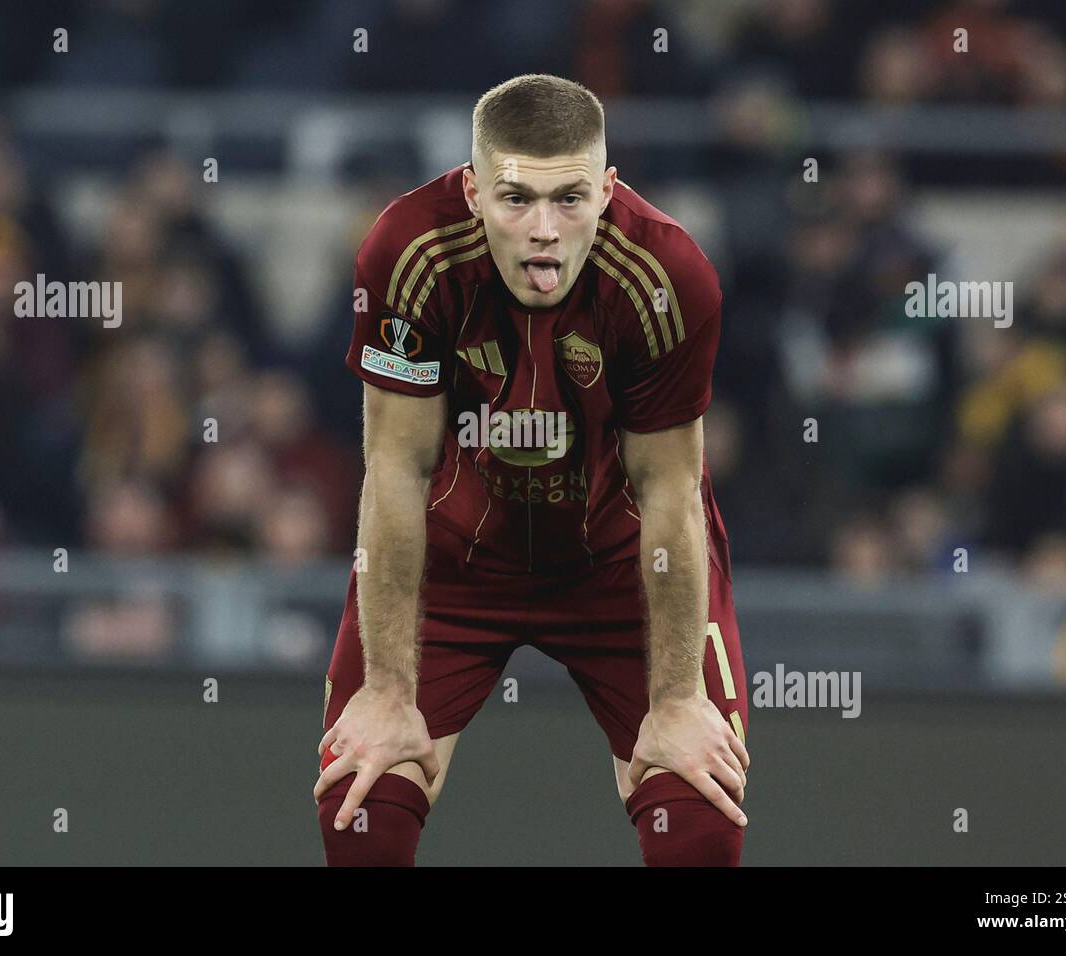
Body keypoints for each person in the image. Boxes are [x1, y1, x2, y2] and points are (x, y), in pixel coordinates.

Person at [315, 74, 750, 866]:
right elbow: (397, 466)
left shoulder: (668, 277)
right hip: (454, 561)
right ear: (473, 192)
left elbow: (669, 490)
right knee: (360, 805)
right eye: (517, 199)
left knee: (700, 821)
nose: (544, 229)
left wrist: (679, 698)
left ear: (610, 190)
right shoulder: (407, 252)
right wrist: (385, 690)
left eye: (571, 199)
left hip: (621, 563)